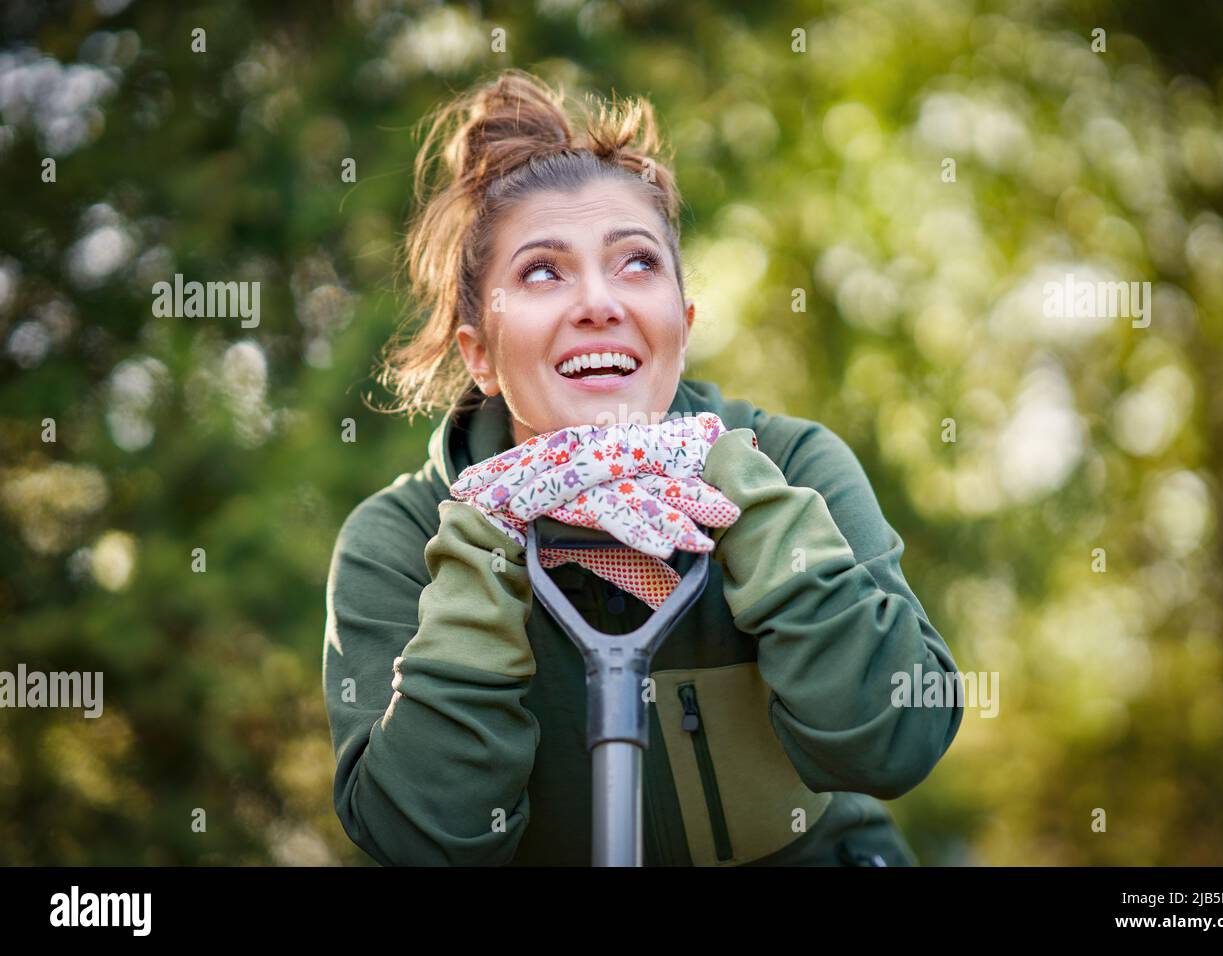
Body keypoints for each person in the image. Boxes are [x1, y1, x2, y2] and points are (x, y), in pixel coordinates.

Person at [323, 68, 964, 866]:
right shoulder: (402, 538)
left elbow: (896, 739)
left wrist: (748, 503)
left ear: (681, 325)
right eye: (542, 271)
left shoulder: (791, 466)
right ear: (479, 355)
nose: (600, 301)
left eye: (635, 264)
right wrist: (484, 551)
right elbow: (423, 839)